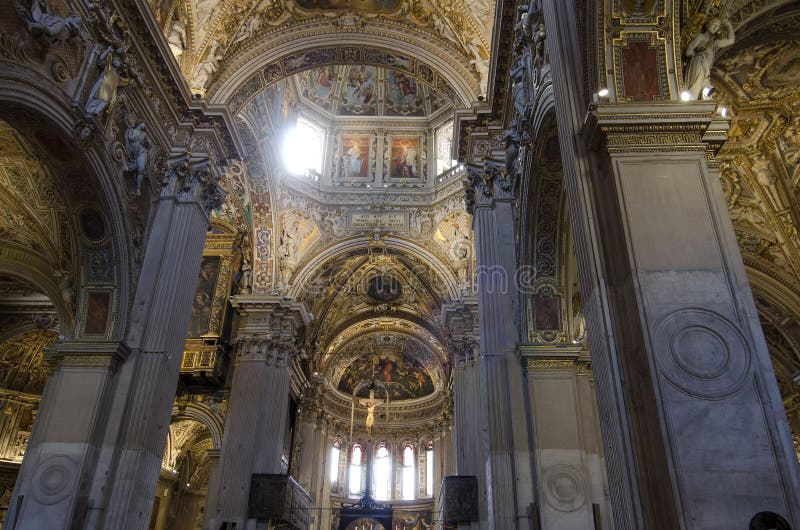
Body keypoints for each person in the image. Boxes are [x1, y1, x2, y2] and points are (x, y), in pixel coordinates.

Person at [684, 17, 735, 100]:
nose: (715, 28)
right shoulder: (701, 37)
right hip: (698, 63)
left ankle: (704, 110)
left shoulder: (714, 43)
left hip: (707, 68)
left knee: (707, 92)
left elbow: (731, 41)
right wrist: (698, 57)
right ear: (708, 25)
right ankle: (689, 107)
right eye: (714, 24)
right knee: (695, 86)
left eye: (717, 26)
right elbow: (688, 51)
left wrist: (729, 26)